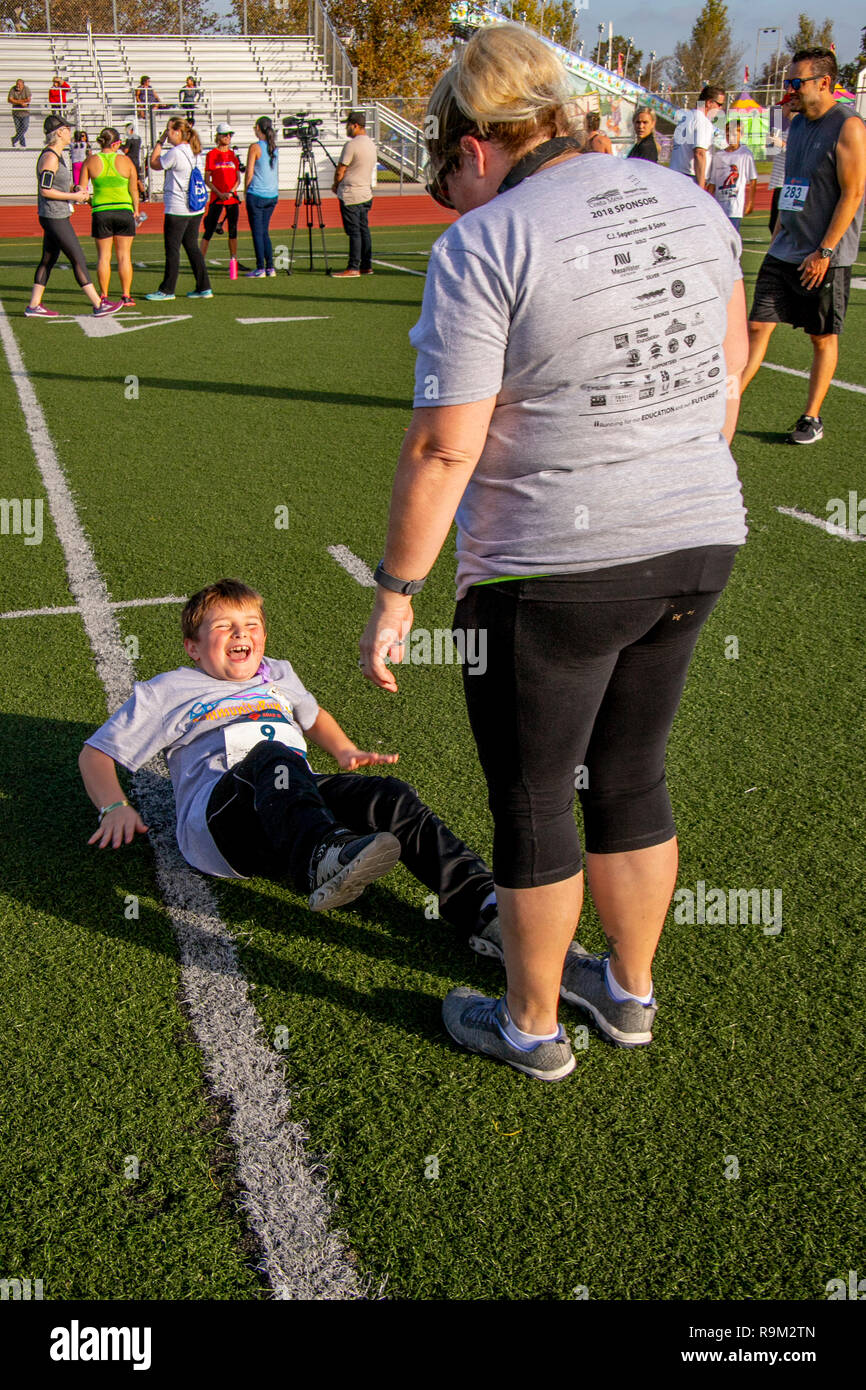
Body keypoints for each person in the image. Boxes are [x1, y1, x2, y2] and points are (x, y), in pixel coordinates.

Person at [359, 23, 749, 1081]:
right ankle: (627, 992)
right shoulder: (689, 198)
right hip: (697, 536)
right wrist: (662, 475)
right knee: (628, 777)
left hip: (551, 566)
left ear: (475, 142)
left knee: (534, 798)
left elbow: (445, 445)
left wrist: (395, 589)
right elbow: (729, 367)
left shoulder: (486, 243)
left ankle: (530, 1025)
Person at [79, 579, 499, 941]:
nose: (240, 634)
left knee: (389, 795)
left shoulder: (276, 672)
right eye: (223, 627)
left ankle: (484, 906)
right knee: (271, 756)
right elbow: (96, 753)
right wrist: (114, 806)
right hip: (223, 822)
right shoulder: (169, 690)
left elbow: (311, 716)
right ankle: (321, 856)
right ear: (193, 647)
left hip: (290, 803)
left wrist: (343, 749)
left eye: (251, 625)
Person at [740, 47, 866, 445]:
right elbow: (791, 185)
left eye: (797, 82)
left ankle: (811, 417)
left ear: (824, 83)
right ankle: (728, 404)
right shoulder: (796, 125)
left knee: (821, 337)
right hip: (786, 247)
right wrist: (779, 228)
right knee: (757, 326)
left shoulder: (849, 126)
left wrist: (825, 251)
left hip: (825, 256)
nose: (789, 89)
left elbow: (854, 193)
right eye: (787, 82)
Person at [25, 114, 122, 319]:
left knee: (48, 259)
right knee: (77, 258)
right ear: (59, 132)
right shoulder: (51, 157)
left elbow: (56, 185)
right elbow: (45, 189)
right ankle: (98, 304)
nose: (71, 133)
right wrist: (74, 196)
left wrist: (76, 189)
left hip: (54, 214)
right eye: (67, 129)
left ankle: (34, 305)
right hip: (54, 216)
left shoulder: (57, 155)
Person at [146, 117, 212, 301]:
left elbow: (154, 163)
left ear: (177, 132)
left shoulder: (176, 152)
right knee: (192, 246)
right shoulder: (195, 150)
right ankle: (204, 286)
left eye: (169, 130)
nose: (167, 133)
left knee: (172, 248)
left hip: (177, 207)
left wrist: (159, 142)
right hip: (194, 207)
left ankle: (167, 289)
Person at [77, 127, 139, 307]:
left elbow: (82, 191)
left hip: (101, 212)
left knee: (104, 256)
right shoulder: (126, 161)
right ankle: (126, 295)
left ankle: (103, 295)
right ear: (117, 143)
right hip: (124, 211)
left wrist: (93, 203)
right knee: (124, 256)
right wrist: (136, 210)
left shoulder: (91, 161)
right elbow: (134, 190)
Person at [331, 110, 377, 278]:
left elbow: (341, 169)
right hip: (365, 192)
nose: (346, 128)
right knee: (364, 229)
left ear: (355, 125)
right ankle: (366, 264)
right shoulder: (371, 144)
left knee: (354, 231)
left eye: (348, 125)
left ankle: (353, 267)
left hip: (351, 193)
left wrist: (336, 185)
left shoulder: (351, 145)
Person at [200, 122, 241, 273]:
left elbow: (238, 179)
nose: (228, 137)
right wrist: (219, 193)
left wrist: (231, 192)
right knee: (209, 230)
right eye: (225, 135)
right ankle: (200, 261)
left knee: (233, 229)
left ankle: (234, 261)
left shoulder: (232, 155)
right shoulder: (212, 155)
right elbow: (207, 180)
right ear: (218, 136)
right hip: (217, 198)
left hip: (232, 198)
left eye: (230, 135)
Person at [706, 118, 757, 233]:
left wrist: (750, 202)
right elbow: (712, 183)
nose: (731, 137)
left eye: (735, 134)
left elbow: (753, 180)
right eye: (728, 134)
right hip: (719, 207)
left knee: (733, 236)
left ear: (741, 135)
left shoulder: (745, 154)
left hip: (735, 208)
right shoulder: (719, 156)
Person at [669, 84, 724, 188]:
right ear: (709, 103)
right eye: (719, 104)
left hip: (675, 175)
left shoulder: (686, 117)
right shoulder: (702, 121)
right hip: (689, 179)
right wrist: (701, 186)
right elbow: (699, 153)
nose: (721, 108)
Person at [244, 116, 279, 277]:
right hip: (272, 194)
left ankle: (260, 267)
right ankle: (270, 266)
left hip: (257, 193)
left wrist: (245, 190)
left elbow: (249, 172)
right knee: (264, 231)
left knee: (257, 232)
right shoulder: (274, 147)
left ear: (258, 128)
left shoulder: (255, 147)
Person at [8, 78, 31, 148]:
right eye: (17, 84)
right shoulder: (13, 89)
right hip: (16, 113)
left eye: (19, 85)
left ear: (23, 85)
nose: (18, 86)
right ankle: (23, 144)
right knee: (18, 129)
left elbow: (28, 100)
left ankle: (14, 139)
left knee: (24, 127)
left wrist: (16, 101)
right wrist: (21, 102)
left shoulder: (26, 89)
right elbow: (9, 100)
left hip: (25, 112)